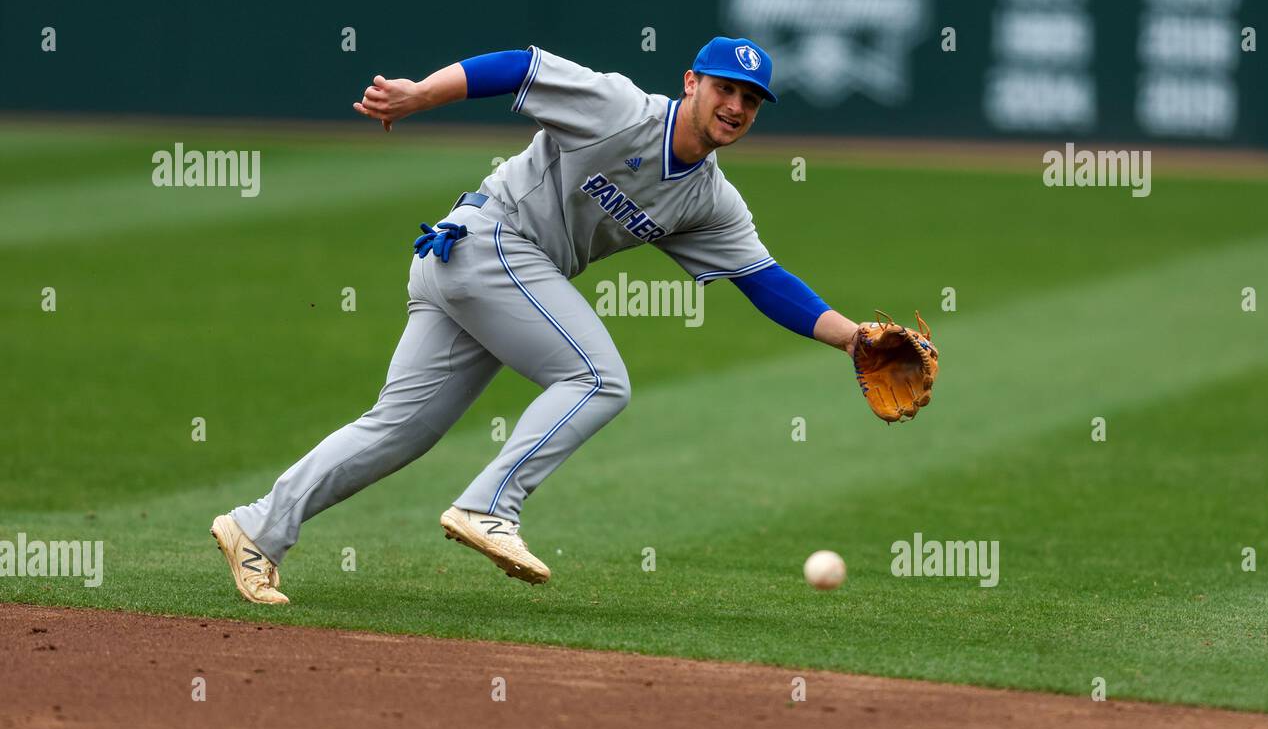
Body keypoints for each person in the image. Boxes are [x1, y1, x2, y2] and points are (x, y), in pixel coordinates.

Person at [211, 38, 870, 603]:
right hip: (487, 242)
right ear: (691, 83)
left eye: (751, 100)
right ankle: (489, 506)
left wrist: (855, 338)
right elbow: (518, 66)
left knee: (400, 429)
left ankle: (257, 528)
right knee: (598, 380)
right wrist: (420, 96)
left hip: (487, 268)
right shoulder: (621, 108)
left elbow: (764, 280)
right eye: (726, 88)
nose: (735, 107)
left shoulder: (708, 199)